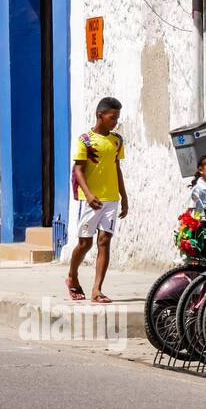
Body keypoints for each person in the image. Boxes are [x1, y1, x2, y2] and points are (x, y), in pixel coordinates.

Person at [66, 96, 128, 304]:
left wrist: (124, 196)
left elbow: (117, 168)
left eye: (117, 117)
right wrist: (89, 194)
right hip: (90, 200)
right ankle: (72, 275)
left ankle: (97, 289)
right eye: (112, 117)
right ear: (100, 115)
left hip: (111, 199)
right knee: (84, 243)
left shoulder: (117, 141)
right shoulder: (85, 140)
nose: (115, 121)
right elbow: (78, 169)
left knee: (104, 241)